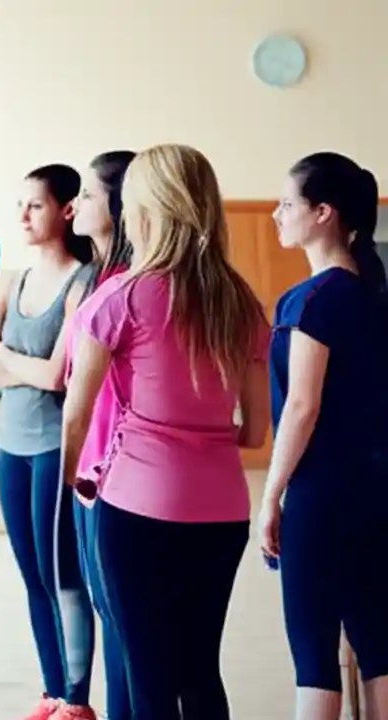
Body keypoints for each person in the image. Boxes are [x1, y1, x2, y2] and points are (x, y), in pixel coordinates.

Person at [61, 143, 270, 719]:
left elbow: (76, 416)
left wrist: (70, 487)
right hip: (224, 508)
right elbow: (254, 432)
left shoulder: (122, 296)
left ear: (144, 211)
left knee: (148, 675)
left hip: (138, 507)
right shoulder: (244, 304)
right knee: (200, 671)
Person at [260, 153, 388, 720]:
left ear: (323, 214)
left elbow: (302, 407)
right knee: (379, 646)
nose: (276, 214)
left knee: (314, 657)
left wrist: (270, 495)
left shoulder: (310, 301)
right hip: (375, 490)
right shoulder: (371, 298)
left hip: (320, 497)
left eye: (288, 204)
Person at [0, 164, 96, 720]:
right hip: (12, 447)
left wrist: (8, 359)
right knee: (30, 575)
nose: (22, 215)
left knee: (61, 574)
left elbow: (59, 377)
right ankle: (52, 691)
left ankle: (77, 699)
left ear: (67, 210)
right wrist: (25, 365)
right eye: (19, 204)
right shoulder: (10, 280)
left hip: (53, 447)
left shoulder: (82, 281)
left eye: (35, 205)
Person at [62, 150, 136, 720]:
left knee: (120, 612)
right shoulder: (91, 275)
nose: (75, 206)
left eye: (87, 195)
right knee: (105, 606)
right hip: (94, 464)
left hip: (110, 469)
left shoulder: (123, 285)